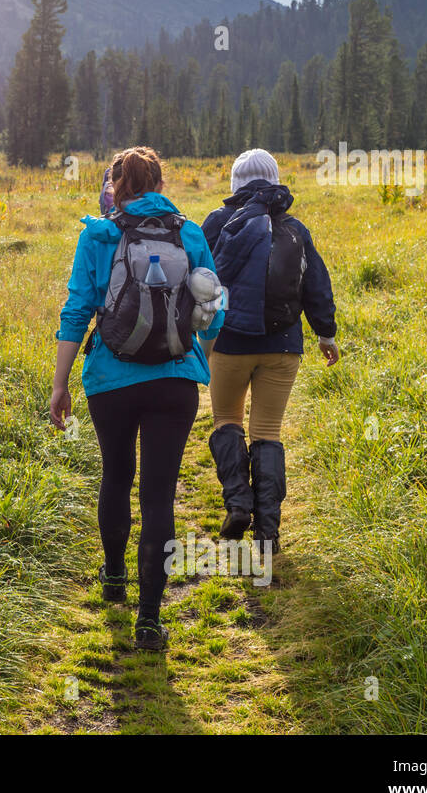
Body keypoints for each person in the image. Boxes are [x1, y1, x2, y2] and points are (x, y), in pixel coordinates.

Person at [50, 146, 224, 650]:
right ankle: (150, 619)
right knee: (159, 496)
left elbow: (77, 310)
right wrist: (197, 356)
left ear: (114, 187)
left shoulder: (99, 235)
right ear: (159, 183)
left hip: (111, 380)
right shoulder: (189, 234)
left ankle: (112, 578)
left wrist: (60, 383)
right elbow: (214, 307)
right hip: (175, 382)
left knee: (116, 476)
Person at [201, 148, 339, 554]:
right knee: (268, 433)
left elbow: (197, 279)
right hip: (282, 346)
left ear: (235, 185)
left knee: (227, 419)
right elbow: (316, 286)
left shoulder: (216, 223)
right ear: (275, 181)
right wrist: (325, 335)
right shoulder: (295, 228)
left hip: (227, 343)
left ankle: (238, 504)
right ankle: (268, 535)